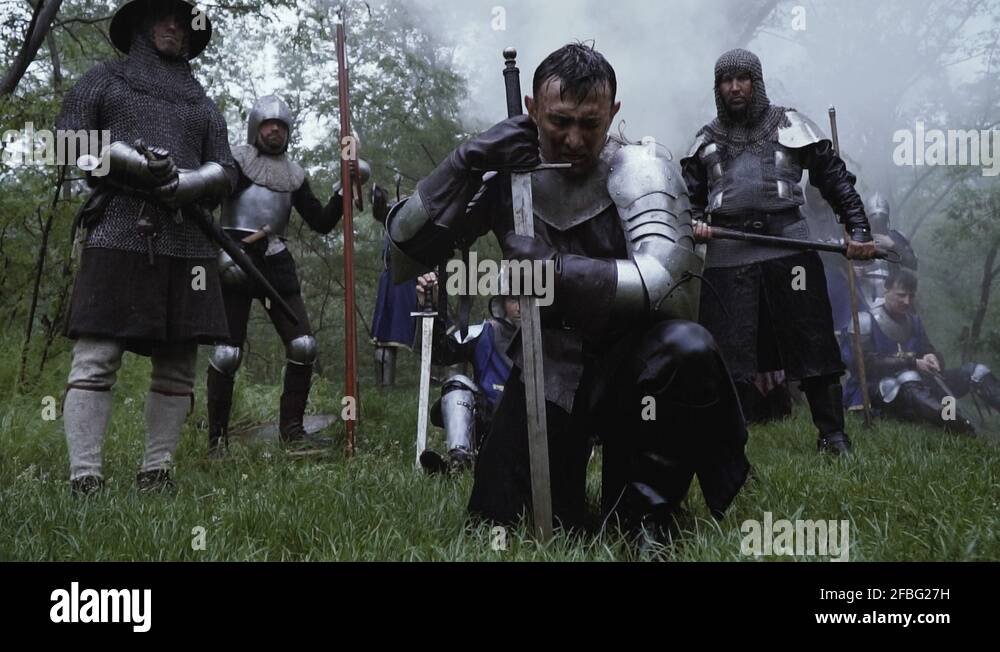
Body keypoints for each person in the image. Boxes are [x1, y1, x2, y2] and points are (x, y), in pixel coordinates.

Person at [386, 43, 750, 539]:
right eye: (559, 122)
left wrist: (558, 270)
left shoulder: (640, 168)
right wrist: (465, 161)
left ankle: (644, 518)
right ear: (532, 109)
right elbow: (404, 254)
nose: (575, 139)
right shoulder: (503, 173)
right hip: (546, 365)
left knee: (686, 349)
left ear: (613, 113)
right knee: (504, 523)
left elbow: (673, 289)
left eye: (590, 123)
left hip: (631, 363)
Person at [57, 0, 236, 494]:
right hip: (119, 226)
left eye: (182, 20)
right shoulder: (105, 80)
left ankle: (157, 471)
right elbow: (69, 142)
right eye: (164, 16)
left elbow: (227, 170)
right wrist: (132, 163)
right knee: (98, 351)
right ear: (140, 23)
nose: (174, 25)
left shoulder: (201, 102)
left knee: (179, 359)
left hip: (185, 237)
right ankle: (85, 477)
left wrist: (190, 182)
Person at [682, 48, 877, 456]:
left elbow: (834, 178)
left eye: (742, 79)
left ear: (757, 81)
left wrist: (857, 227)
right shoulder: (705, 140)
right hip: (728, 251)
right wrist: (695, 222)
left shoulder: (788, 124)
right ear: (717, 87)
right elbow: (690, 199)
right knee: (725, 353)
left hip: (788, 245)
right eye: (726, 81)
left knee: (813, 342)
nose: (734, 87)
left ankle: (833, 436)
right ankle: (726, 447)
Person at [205, 95, 364, 455]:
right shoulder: (236, 164)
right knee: (228, 352)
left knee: (303, 346)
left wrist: (342, 188)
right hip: (235, 257)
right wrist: (219, 254)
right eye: (267, 124)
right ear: (255, 127)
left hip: (276, 258)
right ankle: (216, 441)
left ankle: (291, 432)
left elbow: (321, 223)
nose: (274, 130)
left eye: (281, 125)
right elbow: (204, 206)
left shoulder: (294, 176)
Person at [842, 269, 999, 434]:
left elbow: (926, 349)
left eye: (911, 296)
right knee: (909, 377)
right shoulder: (864, 321)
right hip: (879, 388)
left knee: (976, 371)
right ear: (886, 288)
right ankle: (960, 425)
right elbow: (865, 365)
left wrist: (933, 358)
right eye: (901, 295)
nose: (907, 301)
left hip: (920, 385)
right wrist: (913, 363)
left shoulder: (913, 321)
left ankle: (952, 415)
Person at [413, 272, 518, 474]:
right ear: (503, 301)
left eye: (528, 297)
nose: (521, 306)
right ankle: (459, 462)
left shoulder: (553, 339)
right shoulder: (485, 333)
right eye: (514, 298)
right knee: (457, 384)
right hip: (489, 426)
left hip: (534, 431)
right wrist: (434, 307)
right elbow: (439, 353)